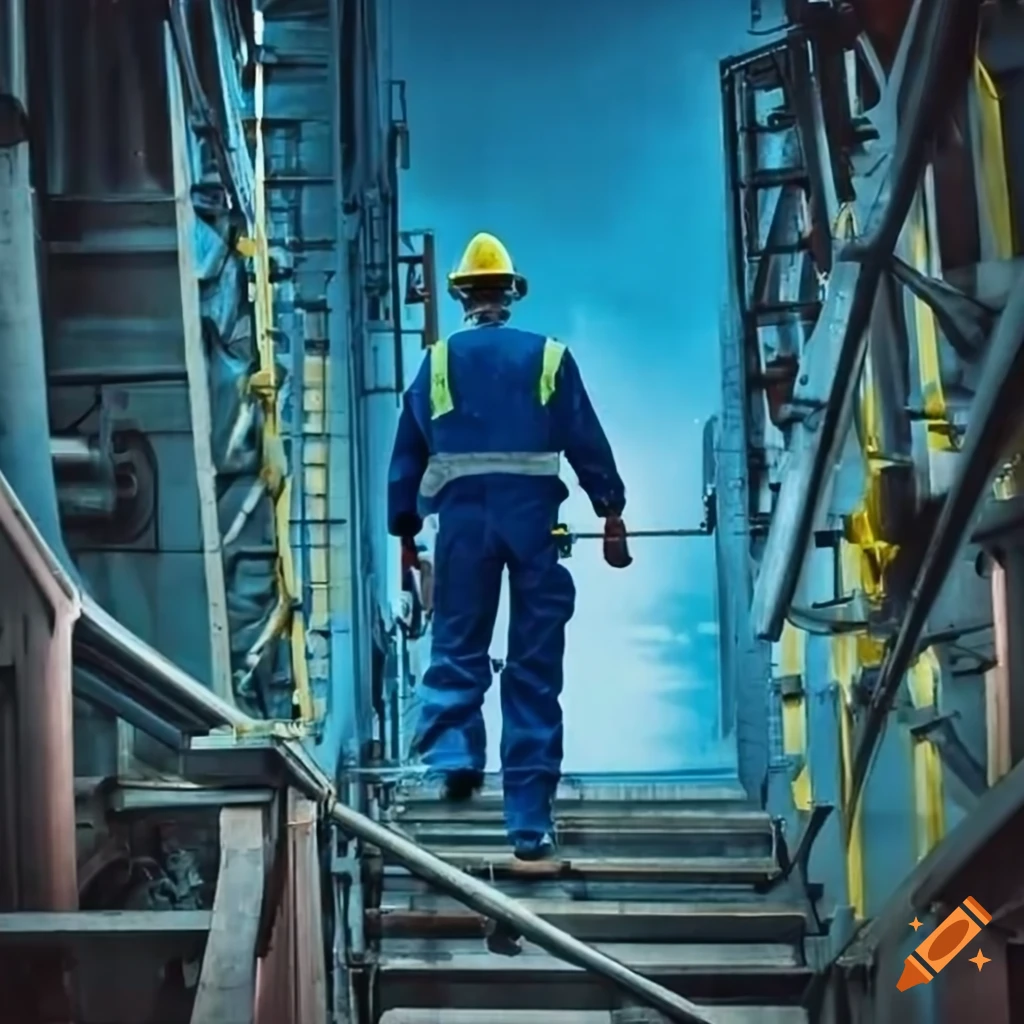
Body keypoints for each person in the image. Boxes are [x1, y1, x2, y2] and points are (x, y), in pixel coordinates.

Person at [387, 231, 631, 861]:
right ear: (511, 294)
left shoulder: (437, 362)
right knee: (533, 667)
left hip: (464, 524)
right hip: (532, 524)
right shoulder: (548, 357)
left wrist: (405, 531)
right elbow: (585, 438)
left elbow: (408, 452)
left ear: (463, 295)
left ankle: (454, 756)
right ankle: (529, 822)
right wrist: (611, 512)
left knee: (457, 647)